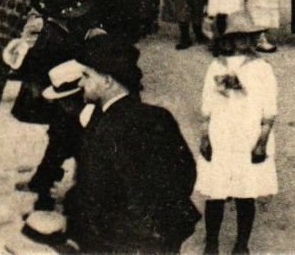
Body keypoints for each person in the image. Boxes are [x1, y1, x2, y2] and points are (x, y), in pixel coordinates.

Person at [65, 37, 200, 254]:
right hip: (162, 236)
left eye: (86, 75)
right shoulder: (158, 116)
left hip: (123, 242)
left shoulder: (108, 127)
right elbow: (186, 172)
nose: (80, 83)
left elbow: (100, 191)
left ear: (108, 81)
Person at [12, 0, 102, 212]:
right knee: (71, 145)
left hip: (65, 102)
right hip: (64, 101)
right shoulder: (52, 39)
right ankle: (47, 198)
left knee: (60, 143)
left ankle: (43, 183)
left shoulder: (58, 29)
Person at [197, 12, 278, 255]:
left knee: (246, 193)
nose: (239, 44)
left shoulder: (262, 69)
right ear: (224, 41)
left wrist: (262, 141)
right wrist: (205, 135)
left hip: (248, 134)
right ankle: (211, 242)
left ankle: (241, 244)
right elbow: (207, 104)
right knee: (216, 193)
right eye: (233, 38)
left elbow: (269, 108)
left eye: (246, 38)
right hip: (222, 135)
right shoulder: (215, 67)